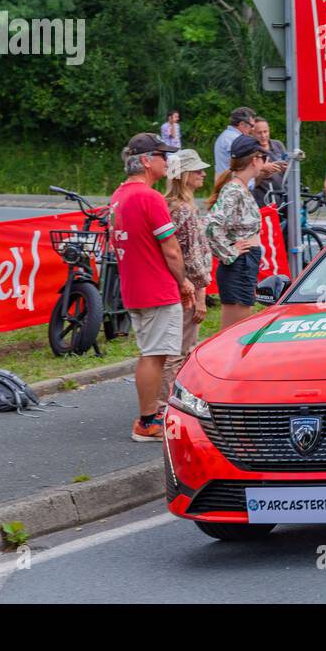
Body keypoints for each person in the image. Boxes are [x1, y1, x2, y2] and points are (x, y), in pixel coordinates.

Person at [109, 133, 194, 443]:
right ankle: (147, 420)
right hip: (156, 287)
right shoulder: (150, 197)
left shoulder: (119, 195)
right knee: (155, 355)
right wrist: (182, 280)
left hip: (134, 285)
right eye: (162, 155)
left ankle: (149, 416)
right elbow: (170, 249)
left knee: (151, 353)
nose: (167, 161)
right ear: (146, 161)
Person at [205, 135, 270, 332]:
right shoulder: (234, 189)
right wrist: (229, 252)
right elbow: (211, 225)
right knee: (234, 333)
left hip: (244, 262)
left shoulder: (240, 186)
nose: (264, 163)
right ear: (254, 159)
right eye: (263, 158)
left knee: (238, 330)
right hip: (239, 264)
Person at [162, 149, 211, 402]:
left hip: (170, 284)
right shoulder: (184, 210)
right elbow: (192, 256)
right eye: (197, 170)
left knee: (169, 346)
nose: (203, 173)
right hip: (187, 288)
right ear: (184, 175)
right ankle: (170, 403)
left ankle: (162, 402)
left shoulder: (165, 205)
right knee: (182, 349)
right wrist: (202, 294)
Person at [249, 116, 290, 203]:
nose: (263, 136)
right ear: (252, 133)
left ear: (269, 130)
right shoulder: (251, 150)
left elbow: (288, 166)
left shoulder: (278, 145)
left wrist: (286, 166)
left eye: (265, 131)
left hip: (284, 195)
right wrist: (263, 170)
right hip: (264, 199)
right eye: (259, 133)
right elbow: (250, 181)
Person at [213, 107, 255, 175]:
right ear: (241, 124)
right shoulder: (236, 139)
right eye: (252, 125)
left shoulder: (225, 136)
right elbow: (244, 165)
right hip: (235, 183)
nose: (253, 129)